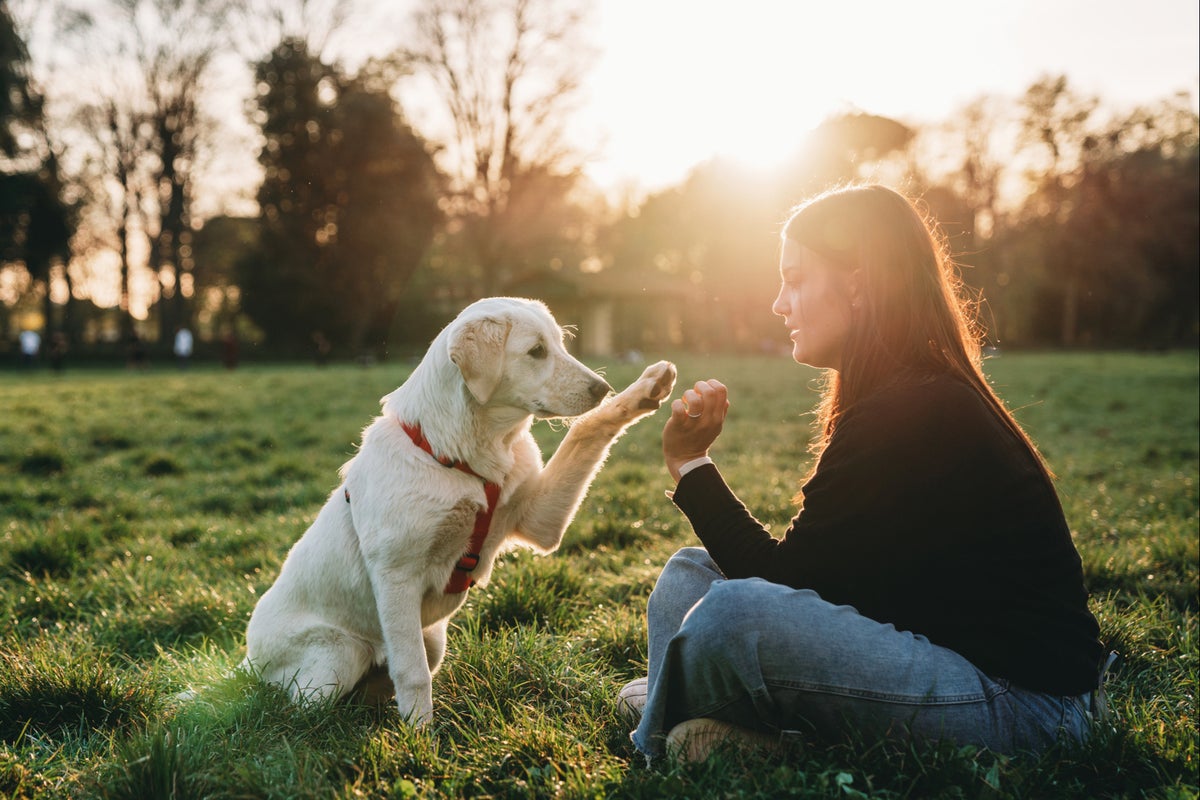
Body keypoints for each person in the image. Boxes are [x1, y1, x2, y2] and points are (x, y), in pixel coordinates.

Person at [620, 184, 1110, 763]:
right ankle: (717, 726)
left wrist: (690, 465)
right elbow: (828, 584)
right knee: (690, 575)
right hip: (941, 654)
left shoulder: (917, 407)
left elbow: (783, 583)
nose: (780, 303)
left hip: (1028, 710)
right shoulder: (898, 394)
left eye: (796, 280)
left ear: (856, 281)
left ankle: (671, 729)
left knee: (733, 614)